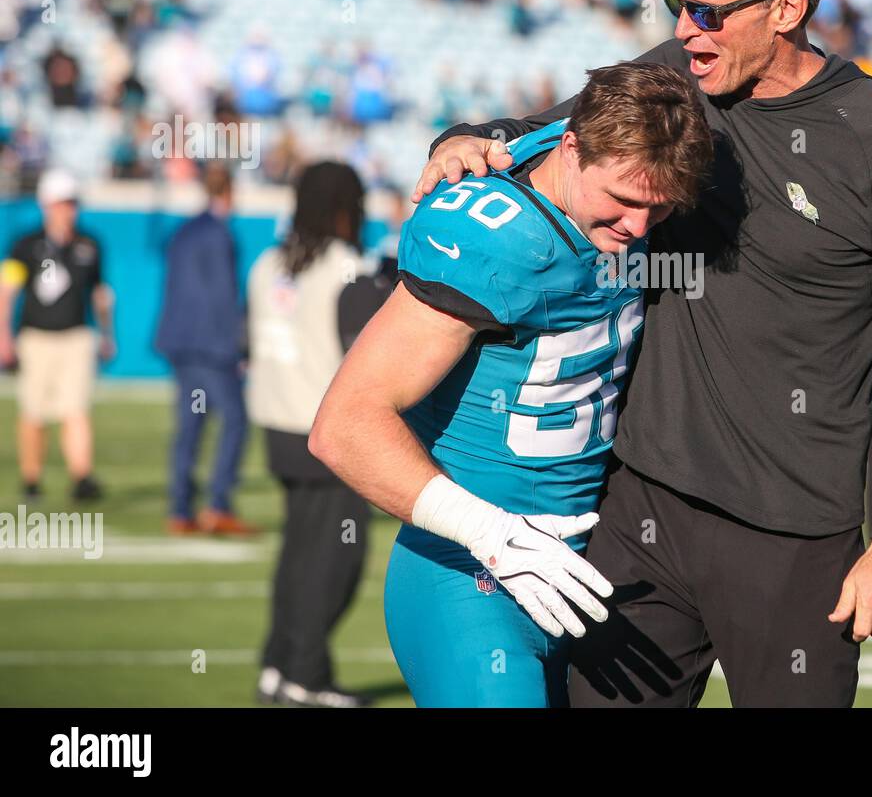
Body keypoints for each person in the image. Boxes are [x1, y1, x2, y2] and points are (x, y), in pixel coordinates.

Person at [414, 0, 872, 707]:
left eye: (708, 10)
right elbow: (548, 139)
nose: (685, 29)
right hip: (638, 511)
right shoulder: (677, 81)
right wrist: (464, 140)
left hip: (795, 538)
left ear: (788, 8)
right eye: (677, 3)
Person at [310, 63, 713, 706]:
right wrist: (496, 537)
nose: (640, 227)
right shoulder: (491, 238)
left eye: (659, 205)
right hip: (473, 578)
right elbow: (345, 426)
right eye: (626, 200)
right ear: (571, 148)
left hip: (594, 570)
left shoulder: (605, 171)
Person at [246, 161, 384, 707]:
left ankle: (280, 666)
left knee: (298, 554)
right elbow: (367, 354)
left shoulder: (267, 263)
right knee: (335, 563)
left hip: (279, 427)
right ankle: (304, 674)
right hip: (330, 434)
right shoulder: (347, 267)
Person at [0, 168, 114, 501]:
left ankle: (81, 476)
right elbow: (7, 291)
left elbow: (100, 294)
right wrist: (4, 336)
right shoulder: (26, 244)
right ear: (47, 205)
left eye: (72, 203)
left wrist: (107, 333)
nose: (69, 210)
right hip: (36, 337)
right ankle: (31, 478)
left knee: (75, 409)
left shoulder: (89, 244)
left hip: (76, 337)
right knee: (34, 412)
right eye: (62, 203)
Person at [154, 162, 253, 535]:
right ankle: (218, 504)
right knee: (235, 420)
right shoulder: (220, 235)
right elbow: (222, 295)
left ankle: (180, 509)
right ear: (229, 192)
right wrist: (238, 347)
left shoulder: (184, 231)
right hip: (213, 347)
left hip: (182, 343)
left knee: (191, 425)